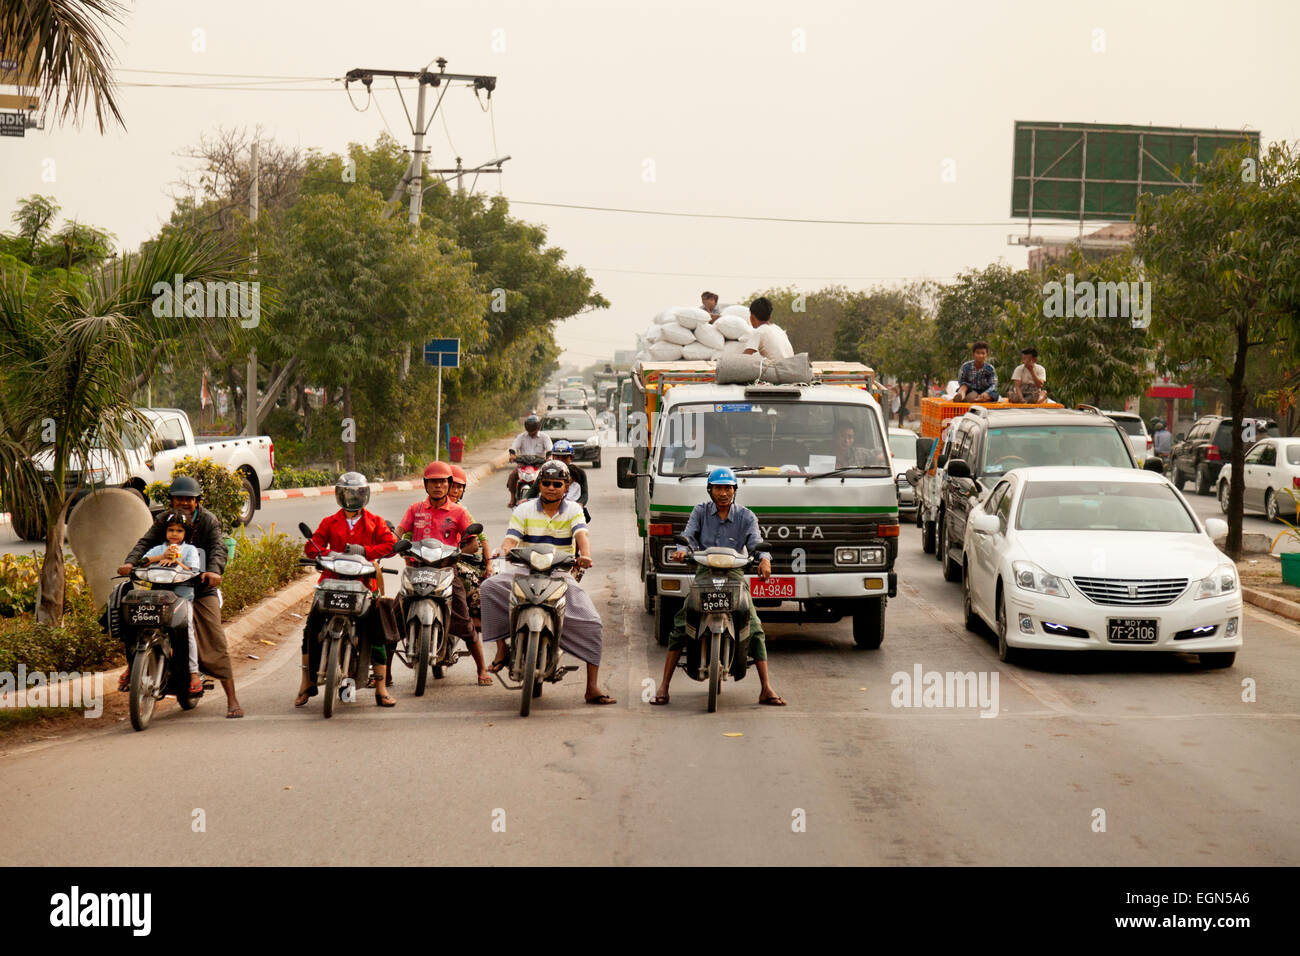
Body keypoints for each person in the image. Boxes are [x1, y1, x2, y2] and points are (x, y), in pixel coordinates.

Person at [480, 460, 616, 705]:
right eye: (546, 483)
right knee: (488, 587)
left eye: (557, 484)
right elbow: (511, 539)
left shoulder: (574, 509)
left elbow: (581, 535)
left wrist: (585, 555)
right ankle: (502, 649)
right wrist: (503, 549)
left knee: (593, 622)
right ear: (538, 484)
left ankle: (592, 687)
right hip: (524, 571)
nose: (551, 488)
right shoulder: (523, 509)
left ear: (567, 486)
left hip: (560, 574)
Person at [651, 467, 786, 706]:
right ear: (710, 490)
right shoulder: (700, 512)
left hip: (734, 573)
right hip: (705, 571)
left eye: (728, 488)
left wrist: (764, 560)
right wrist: (682, 552)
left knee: (753, 625)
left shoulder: (746, 516)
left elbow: (756, 542)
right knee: (682, 623)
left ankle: (766, 687)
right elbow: (689, 536)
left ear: (735, 490)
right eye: (718, 488)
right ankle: (664, 686)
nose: (723, 493)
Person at [119, 475, 243, 717]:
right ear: (172, 500)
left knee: (213, 639)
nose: (184, 502)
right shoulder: (165, 519)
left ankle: (232, 699)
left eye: (189, 499)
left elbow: (218, 548)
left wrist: (214, 571)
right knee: (142, 617)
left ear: (197, 501)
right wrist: (129, 562)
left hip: (199, 588)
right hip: (165, 586)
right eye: (179, 498)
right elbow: (145, 544)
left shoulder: (208, 521)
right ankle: (133, 666)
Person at [294, 472, 400, 707]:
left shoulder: (375, 522)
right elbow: (312, 548)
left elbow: (390, 546)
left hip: (364, 586)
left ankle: (380, 689)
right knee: (310, 630)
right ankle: (305, 682)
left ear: (365, 495)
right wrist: (325, 553)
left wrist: (364, 551)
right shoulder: (329, 522)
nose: (352, 498)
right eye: (347, 493)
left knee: (377, 633)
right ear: (339, 495)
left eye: (357, 493)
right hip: (331, 583)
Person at [396, 461, 490, 686]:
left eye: (442, 482)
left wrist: (458, 553)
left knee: (464, 621)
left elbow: (473, 543)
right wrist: (397, 542)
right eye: (433, 482)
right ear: (425, 484)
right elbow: (399, 531)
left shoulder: (459, 512)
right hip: (417, 570)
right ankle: (383, 675)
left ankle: (482, 668)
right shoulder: (415, 509)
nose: (438, 486)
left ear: (449, 485)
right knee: (394, 616)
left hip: (447, 571)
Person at [142, 512, 204, 696]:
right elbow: (142, 562)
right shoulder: (158, 549)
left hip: (182, 596)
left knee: (188, 631)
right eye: (171, 530)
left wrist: (176, 561)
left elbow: (194, 571)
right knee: (143, 626)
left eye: (179, 531)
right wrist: (160, 556)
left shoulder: (189, 551)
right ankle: (135, 667)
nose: (175, 534)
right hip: (158, 595)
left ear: (185, 533)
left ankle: (193, 673)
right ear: (165, 532)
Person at [448, 464, 492, 640]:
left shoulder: (461, 511)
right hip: (433, 561)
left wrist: (488, 564)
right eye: (453, 485)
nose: (455, 490)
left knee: (467, 580)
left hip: (462, 561)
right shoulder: (423, 509)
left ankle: (473, 621)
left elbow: (481, 539)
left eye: (460, 487)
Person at [507, 414, 553, 506]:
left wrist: (549, 458)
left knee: (549, 479)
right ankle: (512, 498)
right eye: (530, 427)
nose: (532, 431)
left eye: (533, 427)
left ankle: (548, 498)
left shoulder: (544, 437)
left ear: (538, 427)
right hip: (523, 465)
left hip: (539, 466)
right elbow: (514, 447)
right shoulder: (521, 437)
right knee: (512, 476)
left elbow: (549, 449)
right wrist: (512, 455)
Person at [526, 439, 589, 506]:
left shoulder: (579, 473)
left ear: (571, 458)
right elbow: (534, 489)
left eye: (564, 457)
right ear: (552, 457)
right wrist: (525, 499)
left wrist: (580, 504)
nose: (560, 460)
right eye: (557, 457)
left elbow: (584, 494)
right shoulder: (545, 470)